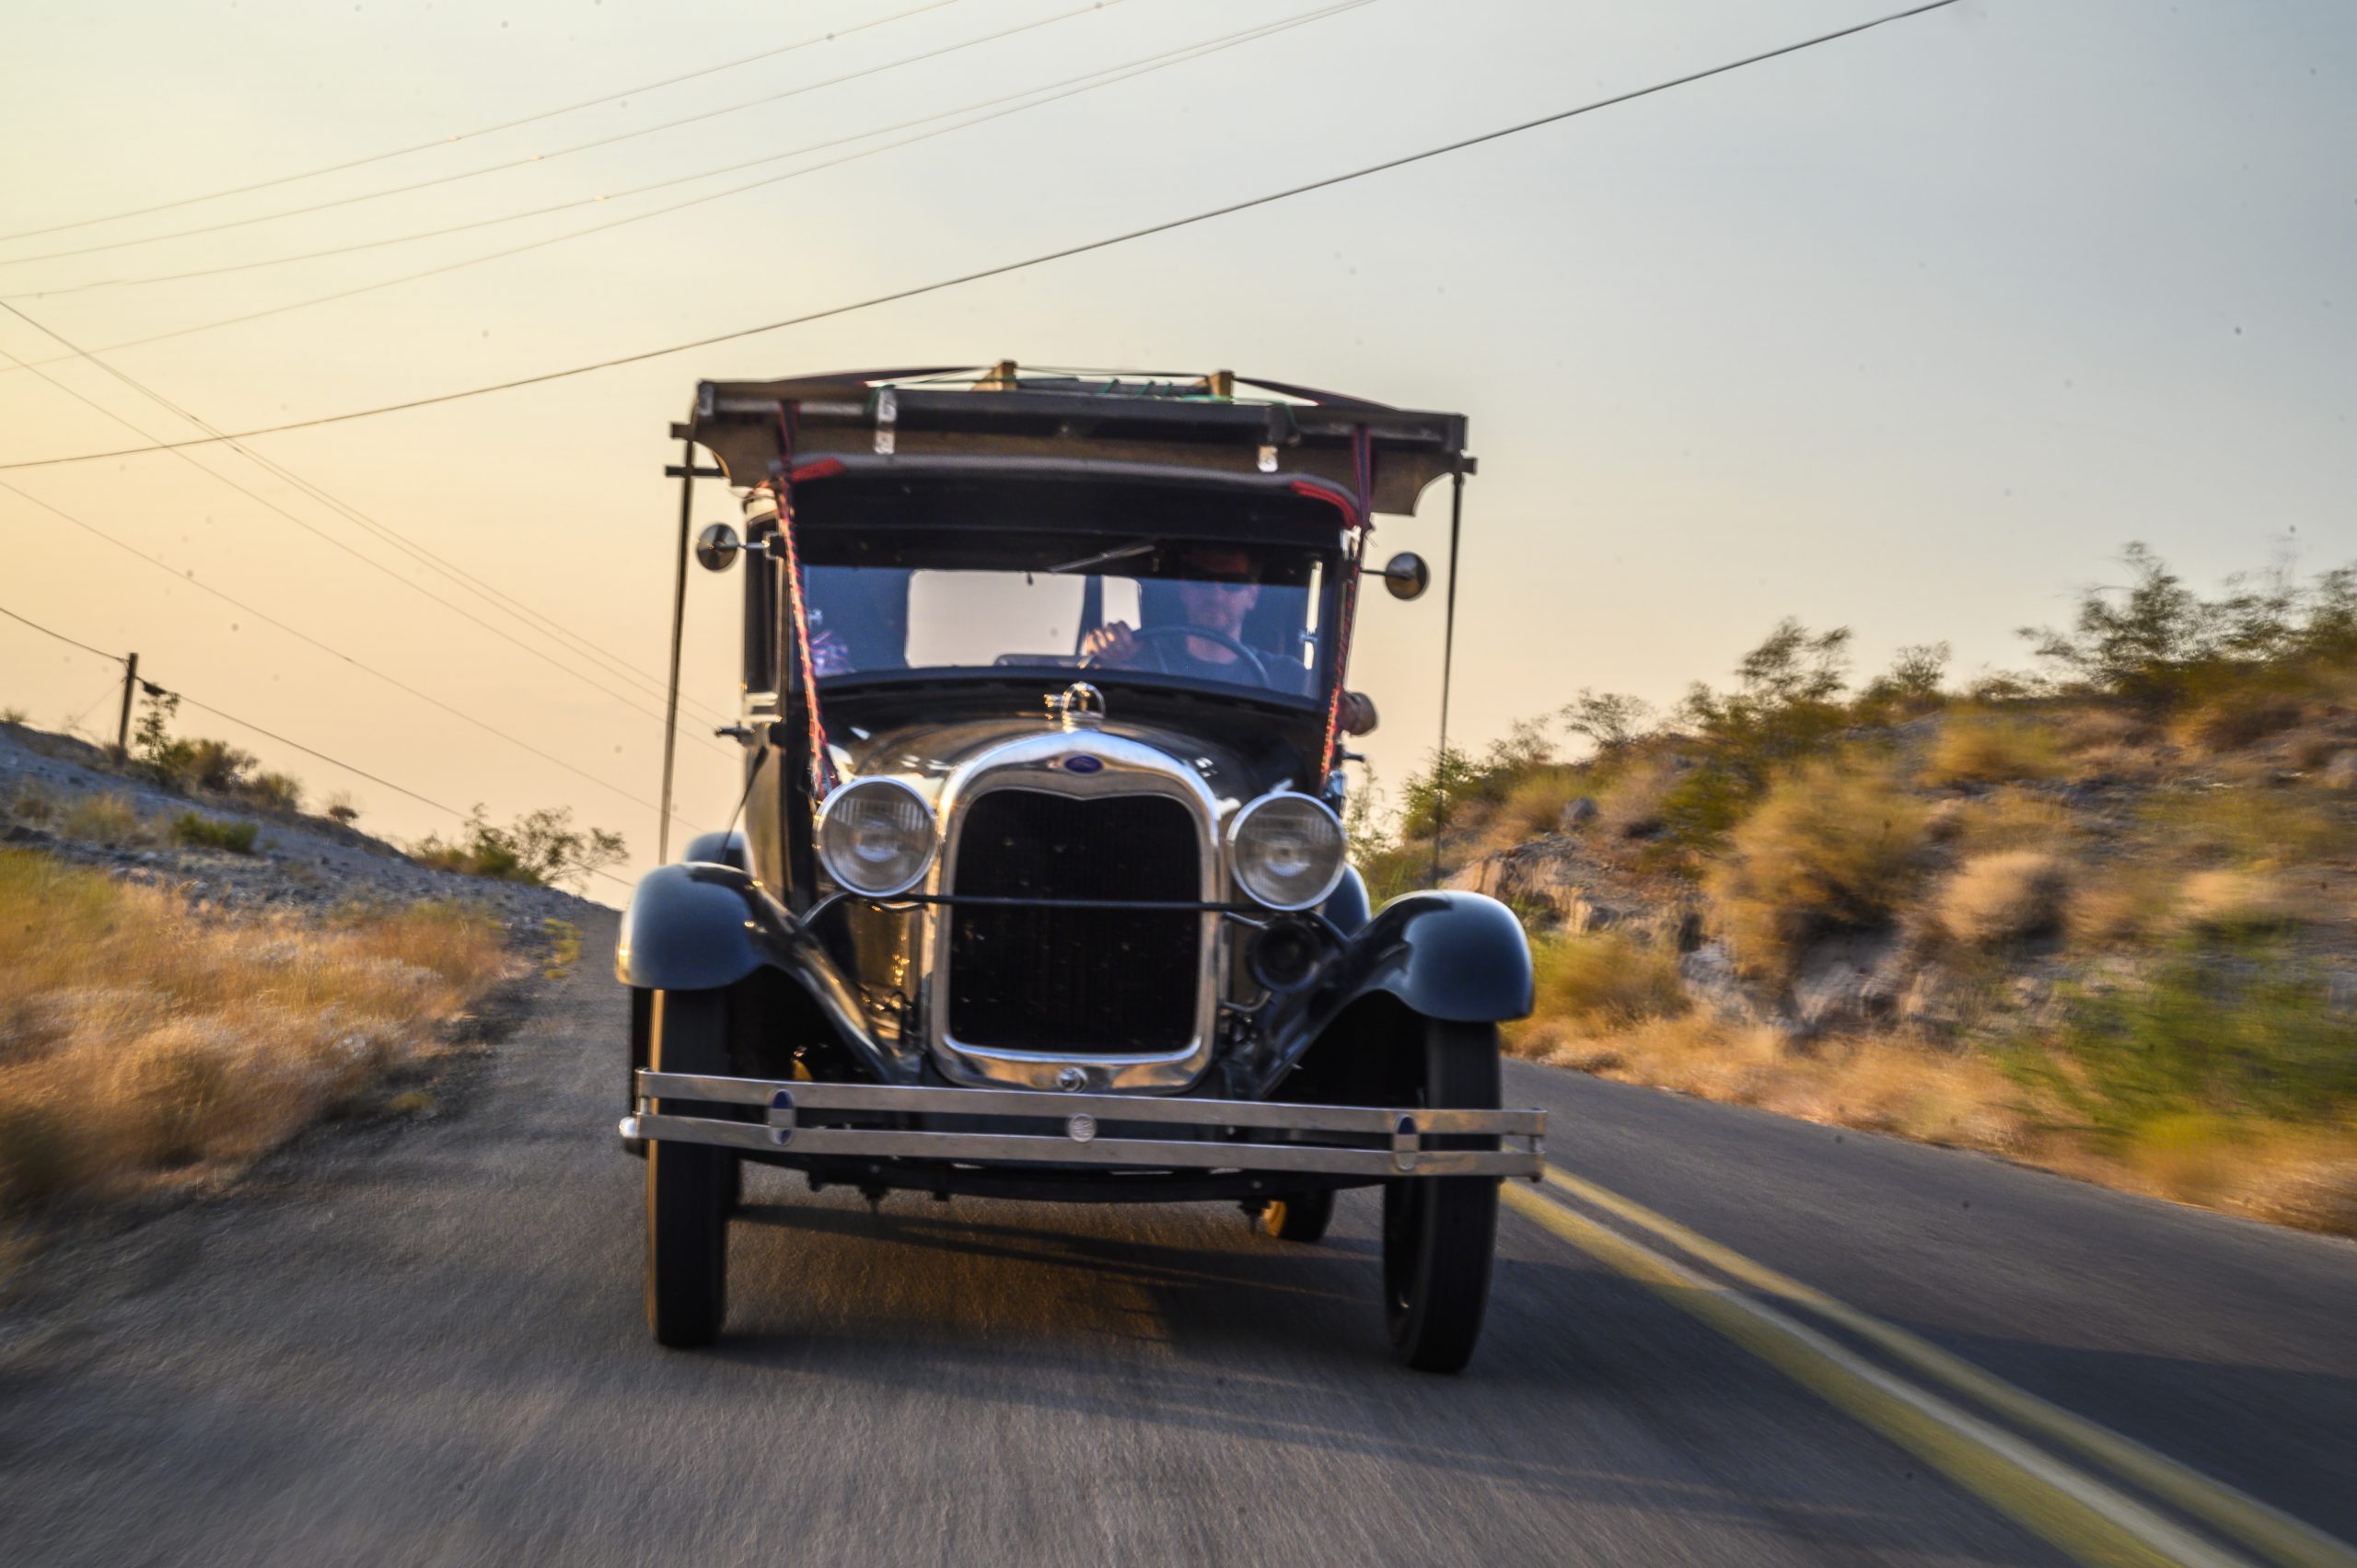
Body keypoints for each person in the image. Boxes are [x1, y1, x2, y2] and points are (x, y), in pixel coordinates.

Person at [1078, 546, 1298, 689]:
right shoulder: (1138, 658)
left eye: (1232, 582)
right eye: (1202, 579)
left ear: (1252, 595)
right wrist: (1105, 650)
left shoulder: (1284, 675)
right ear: (1184, 589)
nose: (1216, 594)